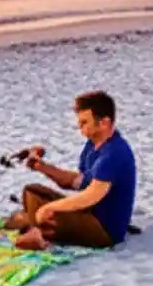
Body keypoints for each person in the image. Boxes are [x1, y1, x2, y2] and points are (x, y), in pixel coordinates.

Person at [7, 91, 137, 249]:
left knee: (42, 210)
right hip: (88, 213)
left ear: (104, 123)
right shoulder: (92, 146)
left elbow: (91, 196)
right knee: (32, 191)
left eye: (84, 122)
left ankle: (37, 232)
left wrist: (50, 207)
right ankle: (35, 225)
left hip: (104, 229)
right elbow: (78, 182)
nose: (79, 127)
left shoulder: (114, 153)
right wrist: (42, 167)